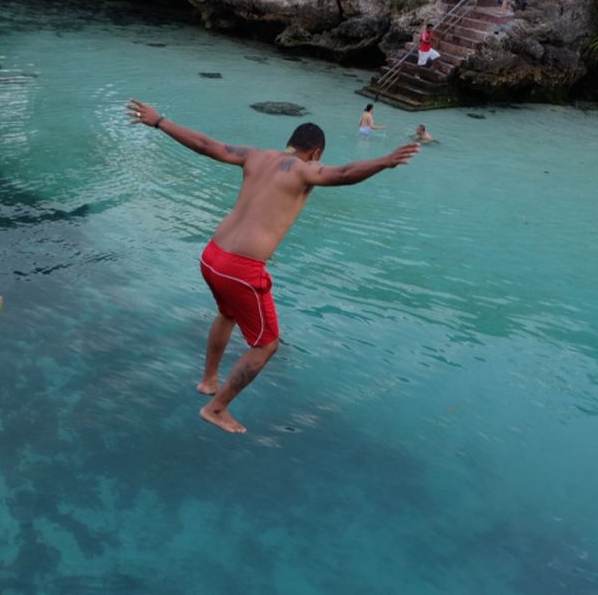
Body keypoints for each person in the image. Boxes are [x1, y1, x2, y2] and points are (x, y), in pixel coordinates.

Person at [126, 98, 420, 433]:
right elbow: (344, 174)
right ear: (316, 153)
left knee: (227, 314)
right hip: (240, 270)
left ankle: (209, 380)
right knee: (266, 345)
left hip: (212, 257)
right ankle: (216, 408)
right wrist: (385, 161)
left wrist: (160, 121)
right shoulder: (305, 170)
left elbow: (206, 145)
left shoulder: (255, 156)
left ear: (290, 143)